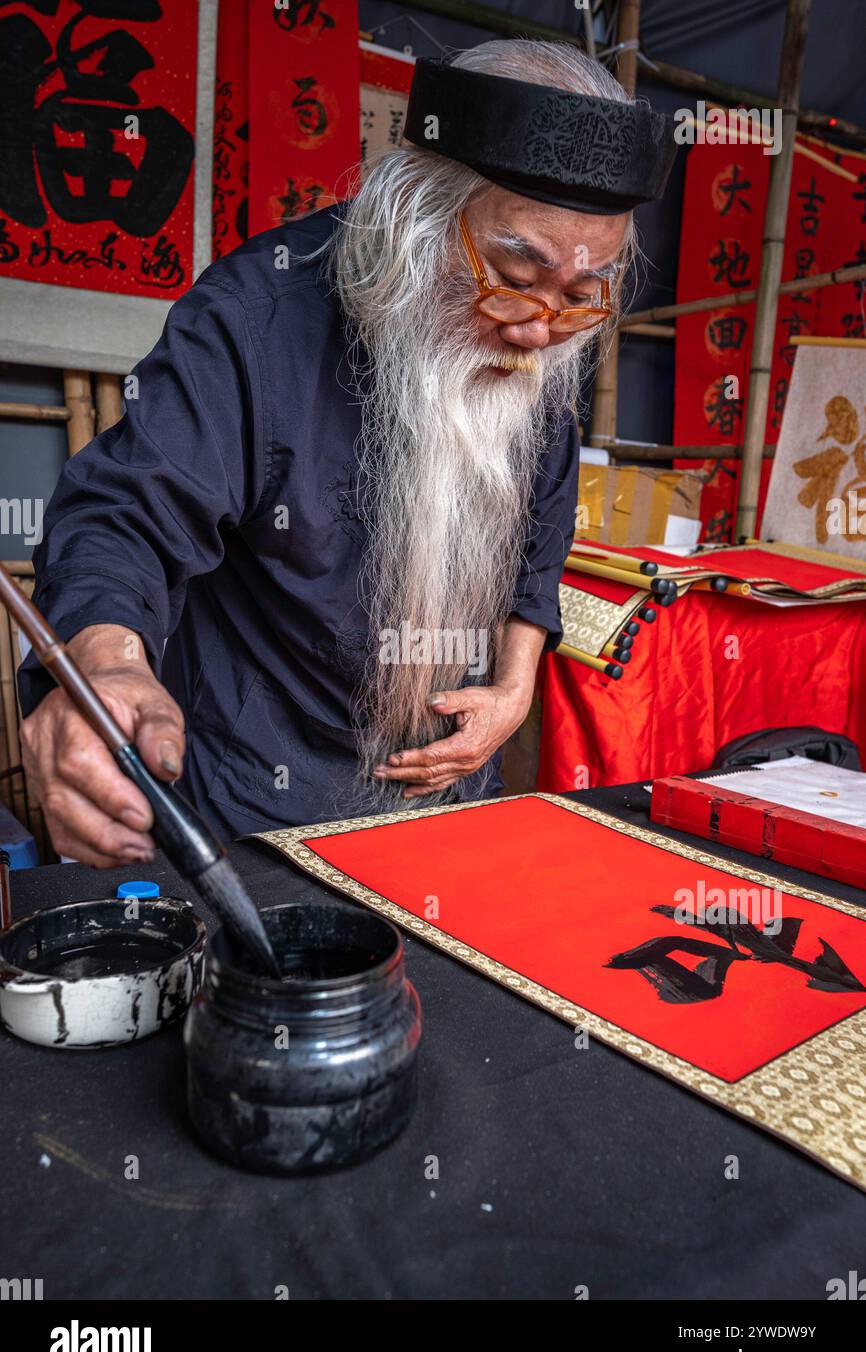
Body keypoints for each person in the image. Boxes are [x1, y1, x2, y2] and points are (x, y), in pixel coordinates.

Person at [18, 39, 675, 868]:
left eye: (582, 297)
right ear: (419, 217)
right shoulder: (258, 316)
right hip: (256, 808)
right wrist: (107, 666)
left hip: (444, 802)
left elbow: (539, 532)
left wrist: (513, 686)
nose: (537, 329)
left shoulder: (534, 342)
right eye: (514, 271)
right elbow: (128, 517)